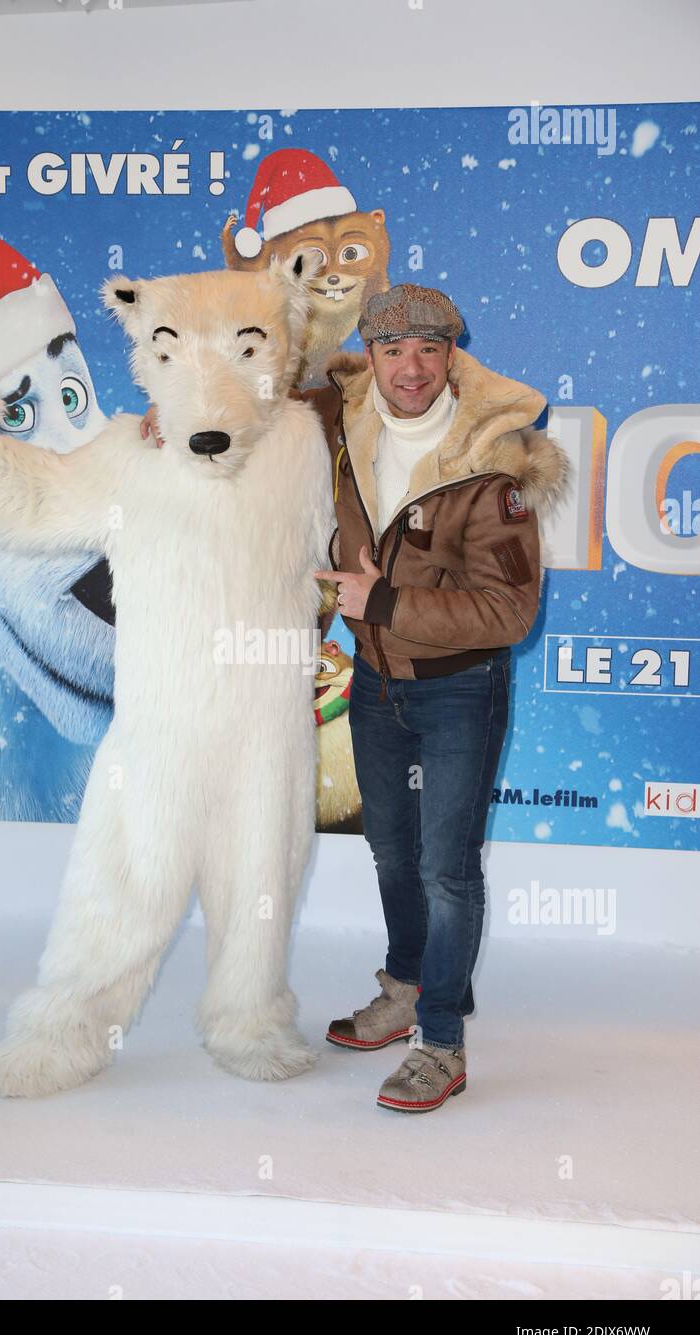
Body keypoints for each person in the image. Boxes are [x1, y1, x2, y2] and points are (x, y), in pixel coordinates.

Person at [140, 281, 568, 1113]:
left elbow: (511, 611)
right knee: (392, 856)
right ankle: (406, 984)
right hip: (375, 686)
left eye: (429, 350)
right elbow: (257, 409)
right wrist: (171, 420)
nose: (412, 369)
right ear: (369, 357)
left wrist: (388, 605)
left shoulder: (495, 458)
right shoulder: (340, 417)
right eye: (394, 350)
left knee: (447, 873)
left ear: (453, 355)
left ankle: (440, 1039)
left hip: (460, 690)